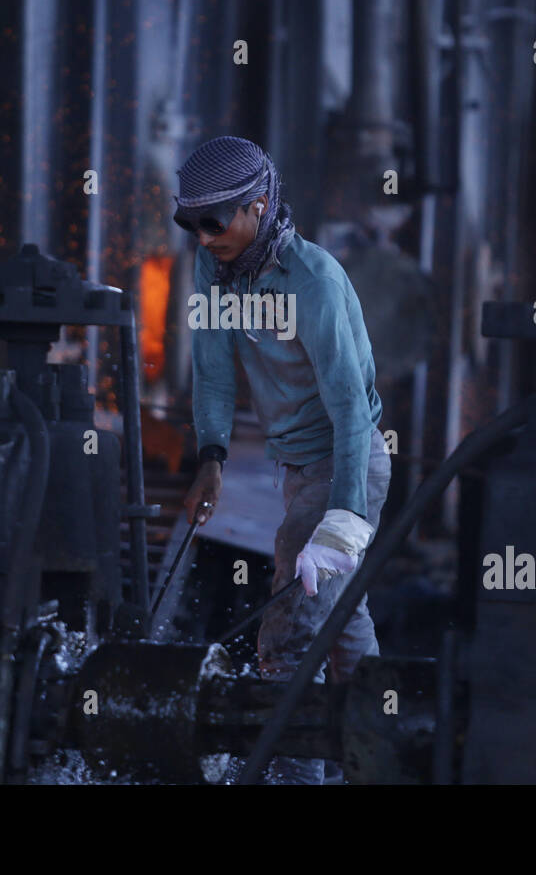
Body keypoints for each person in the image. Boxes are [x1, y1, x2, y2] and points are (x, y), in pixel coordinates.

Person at [179, 136, 390, 784]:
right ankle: (381, 765)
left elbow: (352, 411)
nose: (204, 237)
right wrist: (211, 456)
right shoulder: (214, 268)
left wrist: (345, 521)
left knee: (289, 636)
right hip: (300, 471)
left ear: (259, 206)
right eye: (192, 223)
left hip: (346, 465)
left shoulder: (316, 281)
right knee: (345, 634)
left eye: (215, 223)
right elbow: (212, 368)